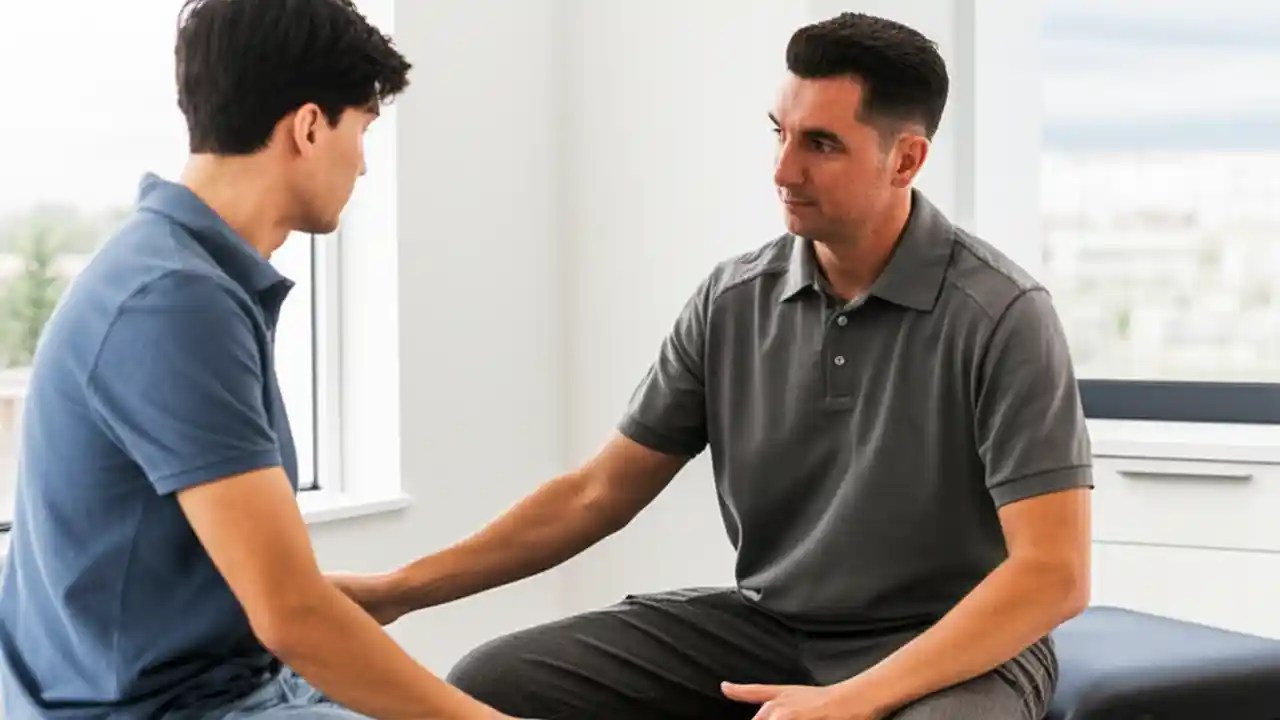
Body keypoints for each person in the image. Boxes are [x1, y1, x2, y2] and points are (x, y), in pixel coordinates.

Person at [332, 11, 1092, 720]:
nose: (783, 170)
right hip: (771, 626)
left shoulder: (1002, 315)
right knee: (493, 682)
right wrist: (397, 591)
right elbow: (596, 494)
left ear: (907, 159)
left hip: (955, 648)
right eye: (779, 133)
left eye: (820, 145)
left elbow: (1053, 575)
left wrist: (853, 700)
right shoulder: (733, 301)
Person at [0, 1, 515, 718]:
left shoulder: (175, 273)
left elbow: (252, 590)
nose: (363, 165)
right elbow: (291, 616)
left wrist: (354, 596)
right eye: (361, 131)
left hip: (202, 682)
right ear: (308, 127)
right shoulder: (174, 301)